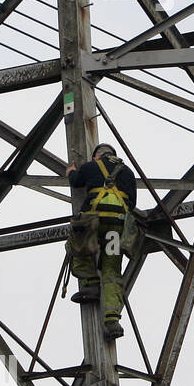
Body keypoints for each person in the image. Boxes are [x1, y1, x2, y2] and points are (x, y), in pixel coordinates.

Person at [65, 143, 137, 340]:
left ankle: (90, 284)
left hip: (94, 220)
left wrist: (71, 171)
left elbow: (76, 181)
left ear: (97, 156)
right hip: (116, 226)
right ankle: (112, 320)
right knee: (112, 271)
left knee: (78, 247)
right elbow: (132, 203)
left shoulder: (90, 166)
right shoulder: (128, 173)